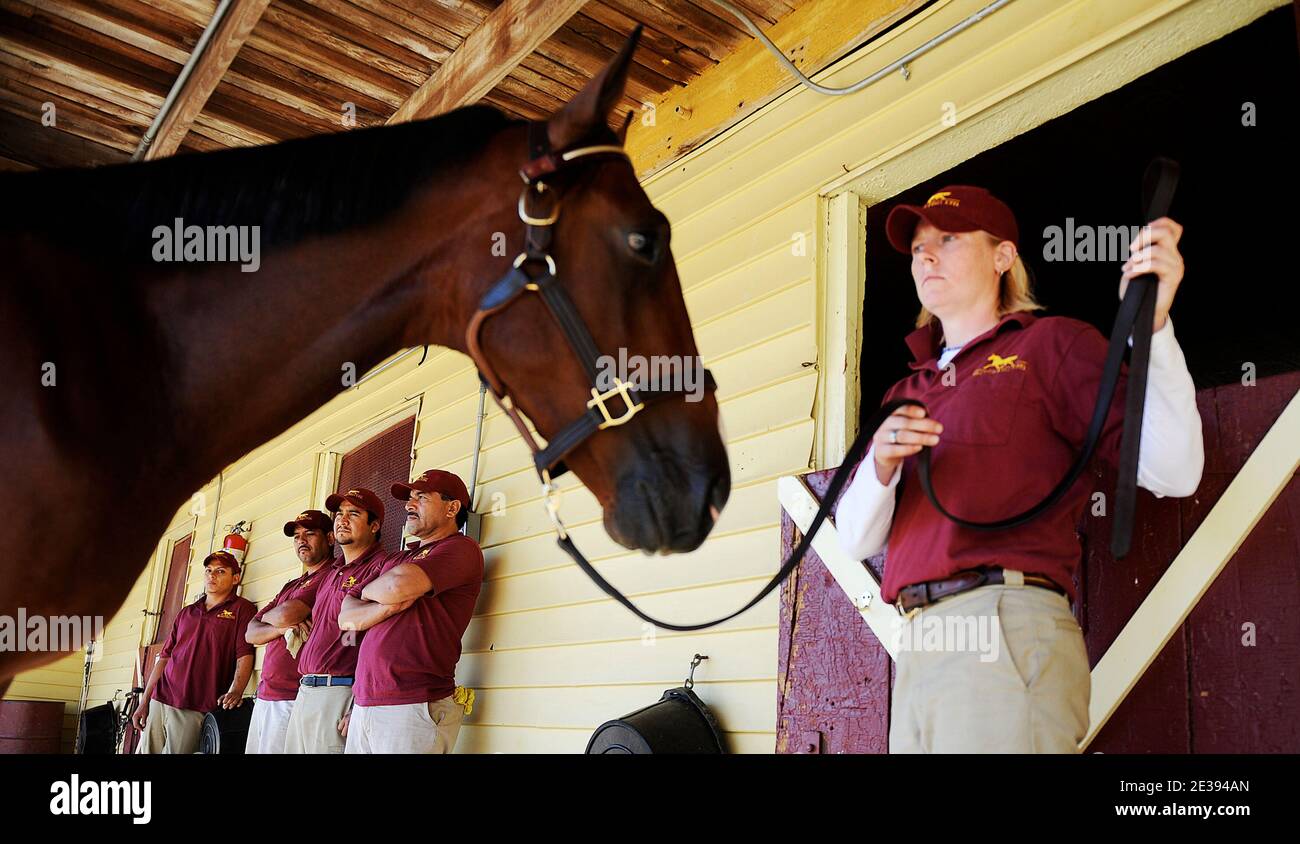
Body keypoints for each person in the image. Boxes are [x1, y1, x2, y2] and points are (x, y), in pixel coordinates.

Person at [836, 185, 1203, 753]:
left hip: (1002, 624)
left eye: (948, 239)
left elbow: (1174, 471)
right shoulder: (905, 390)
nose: (926, 256)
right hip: (917, 643)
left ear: (1003, 256)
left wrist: (1151, 326)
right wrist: (881, 463)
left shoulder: (1051, 345)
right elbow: (856, 540)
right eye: (917, 248)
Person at [339, 469, 483, 754]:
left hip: (414, 700)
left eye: (421, 497)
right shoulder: (399, 558)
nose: (408, 505)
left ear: (452, 508)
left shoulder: (461, 548)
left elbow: (397, 586)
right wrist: (386, 606)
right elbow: (346, 617)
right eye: (409, 498)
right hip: (368, 700)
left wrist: (375, 594)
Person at [282, 489, 390, 754]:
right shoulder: (331, 572)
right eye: (339, 513)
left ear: (374, 525)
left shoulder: (380, 566)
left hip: (340, 691)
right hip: (306, 688)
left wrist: (359, 701)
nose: (342, 519)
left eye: (353, 513)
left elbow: (379, 640)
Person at [133, 550, 256, 753]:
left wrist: (236, 690)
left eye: (220, 571)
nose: (212, 575)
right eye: (208, 570)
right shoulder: (187, 612)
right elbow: (164, 658)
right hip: (160, 697)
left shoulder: (242, 610)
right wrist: (144, 701)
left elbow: (244, 655)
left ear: (235, 578)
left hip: (196, 704)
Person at [243, 510, 334, 753]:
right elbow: (250, 633)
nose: (301, 540)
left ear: (331, 538)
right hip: (266, 694)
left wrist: (273, 620)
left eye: (310, 534)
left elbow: (285, 614)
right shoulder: (292, 585)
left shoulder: (329, 576)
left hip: (292, 694)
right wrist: (282, 626)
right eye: (296, 536)